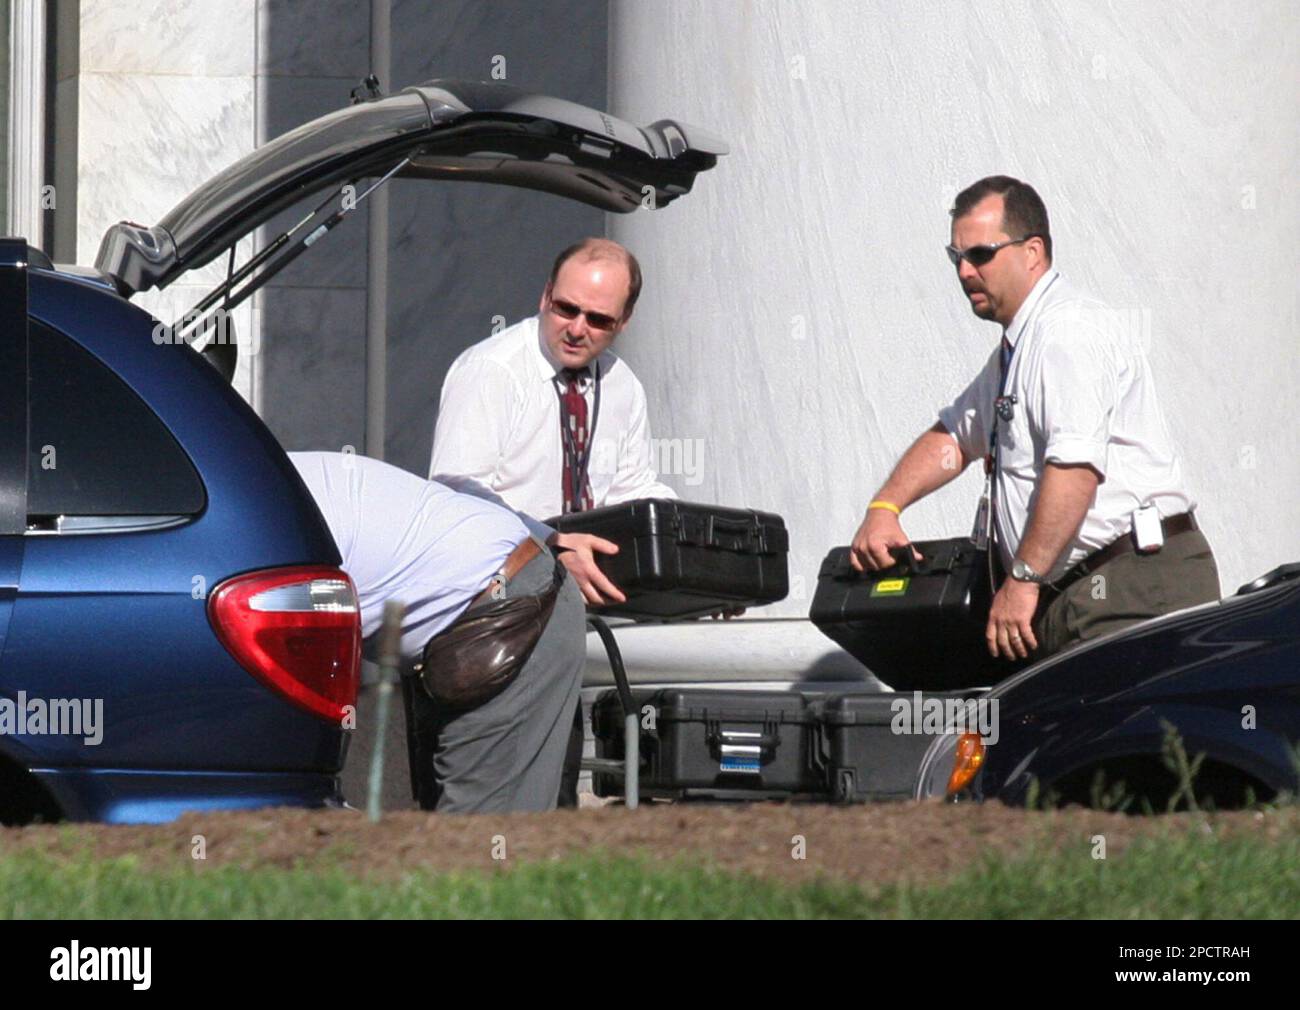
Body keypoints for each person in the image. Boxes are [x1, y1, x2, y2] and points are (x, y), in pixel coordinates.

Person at [849, 175, 1219, 662]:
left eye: (981, 254)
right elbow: (956, 439)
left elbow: (1074, 473)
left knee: (1115, 739)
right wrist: (885, 508)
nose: (964, 272)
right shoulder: (1018, 348)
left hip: (1129, 586)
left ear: (1033, 251)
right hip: (1091, 591)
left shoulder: (1065, 334)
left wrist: (1022, 579)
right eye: (956, 257)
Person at [429, 237, 678, 805]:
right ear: (545, 295)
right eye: (566, 309)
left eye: (598, 319)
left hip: (569, 616)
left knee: (557, 784)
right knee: (492, 785)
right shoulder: (491, 371)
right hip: (492, 607)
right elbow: (455, 492)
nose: (577, 328)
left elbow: (635, 492)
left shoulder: (623, 387)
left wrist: (699, 569)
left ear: (624, 321)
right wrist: (549, 542)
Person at [289, 450, 585, 814]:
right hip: (456, 624)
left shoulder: (264, 506)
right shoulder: (257, 478)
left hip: (510, 610)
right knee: (441, 839)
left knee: (482, 838)